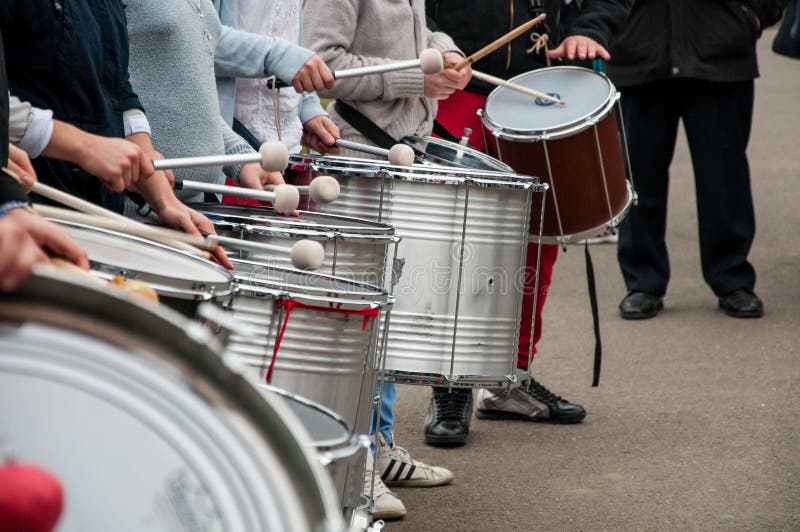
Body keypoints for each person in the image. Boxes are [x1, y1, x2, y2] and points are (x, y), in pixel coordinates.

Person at [423, 0, 633, 446]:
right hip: (456, 90)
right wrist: (433, 43)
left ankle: (510, 377)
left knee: (539, 238)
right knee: (459, 242)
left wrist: (590, 28)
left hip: (538, 88)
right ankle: (452, 382)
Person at [304, 0, 471, 520]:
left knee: (390, 308)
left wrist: (448, 52)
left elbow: (416, 40)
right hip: (357, 155)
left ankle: (381, 442)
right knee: (360, 313)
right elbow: (320, 65)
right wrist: (414, 81)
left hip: (403, 152)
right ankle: (359, 462)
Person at [608, 0, 786, 320]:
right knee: (638, 175)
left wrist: (755, 15)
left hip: (720, 50)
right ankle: (642, 282)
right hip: (638, 47)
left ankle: (731, 277)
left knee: (723, 177)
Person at [212, 0, 341, 158]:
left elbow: (288, 32)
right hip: (229, 146)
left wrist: (307, 106)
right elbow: (196, 38)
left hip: (288, 148)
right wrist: (277, 55)